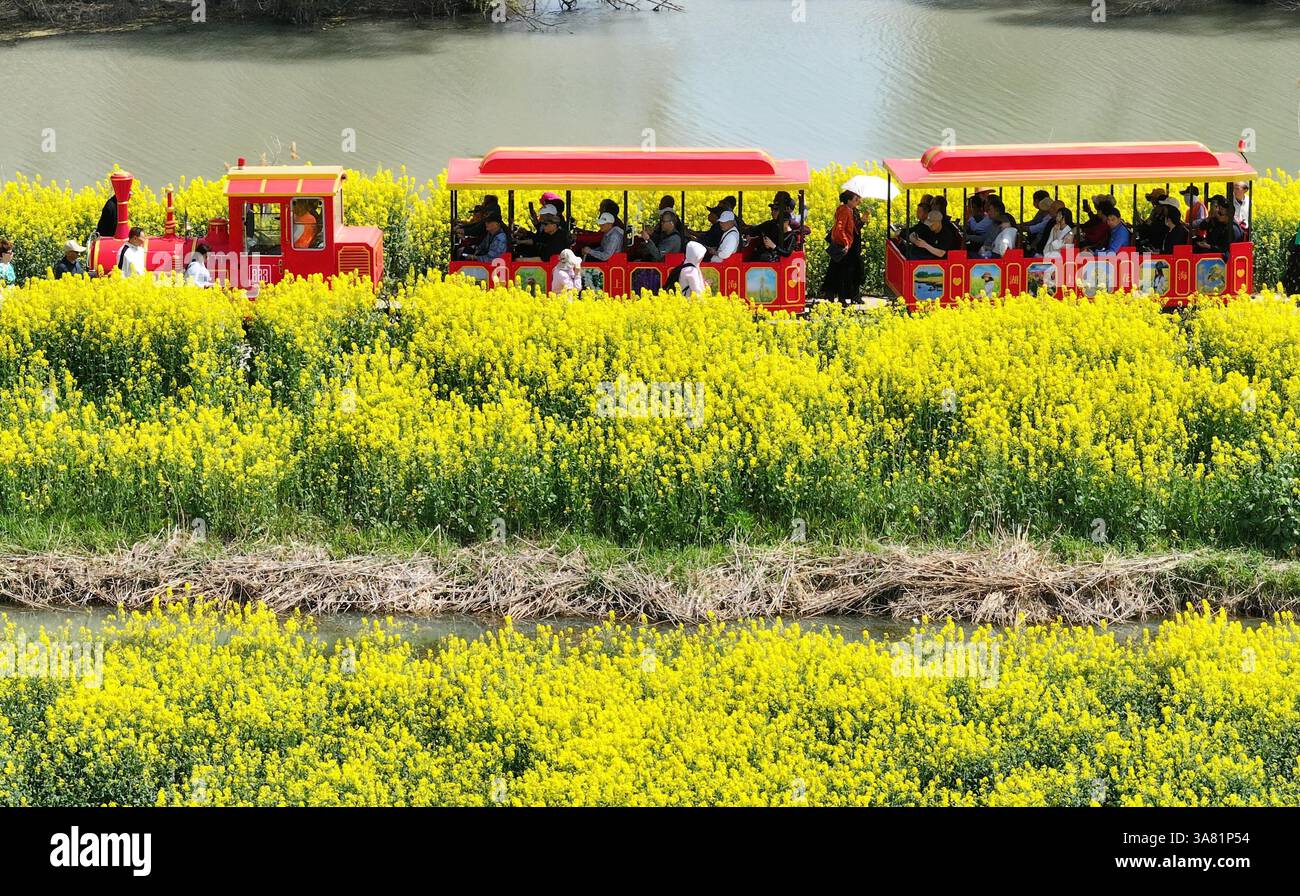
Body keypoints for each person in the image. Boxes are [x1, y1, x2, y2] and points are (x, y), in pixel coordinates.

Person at [820, 190, 864, 304]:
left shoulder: (849, 210)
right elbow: (840, 228)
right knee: (841, 273)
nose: (857, 201)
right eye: (855, 199)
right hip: (843, 246)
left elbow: (853, 228)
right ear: (848, 200)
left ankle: (837, 297)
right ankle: (840, 299)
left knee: (839, 272)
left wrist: (862, 220)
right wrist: (846, 242)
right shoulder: (845, 210)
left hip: (844, 245)